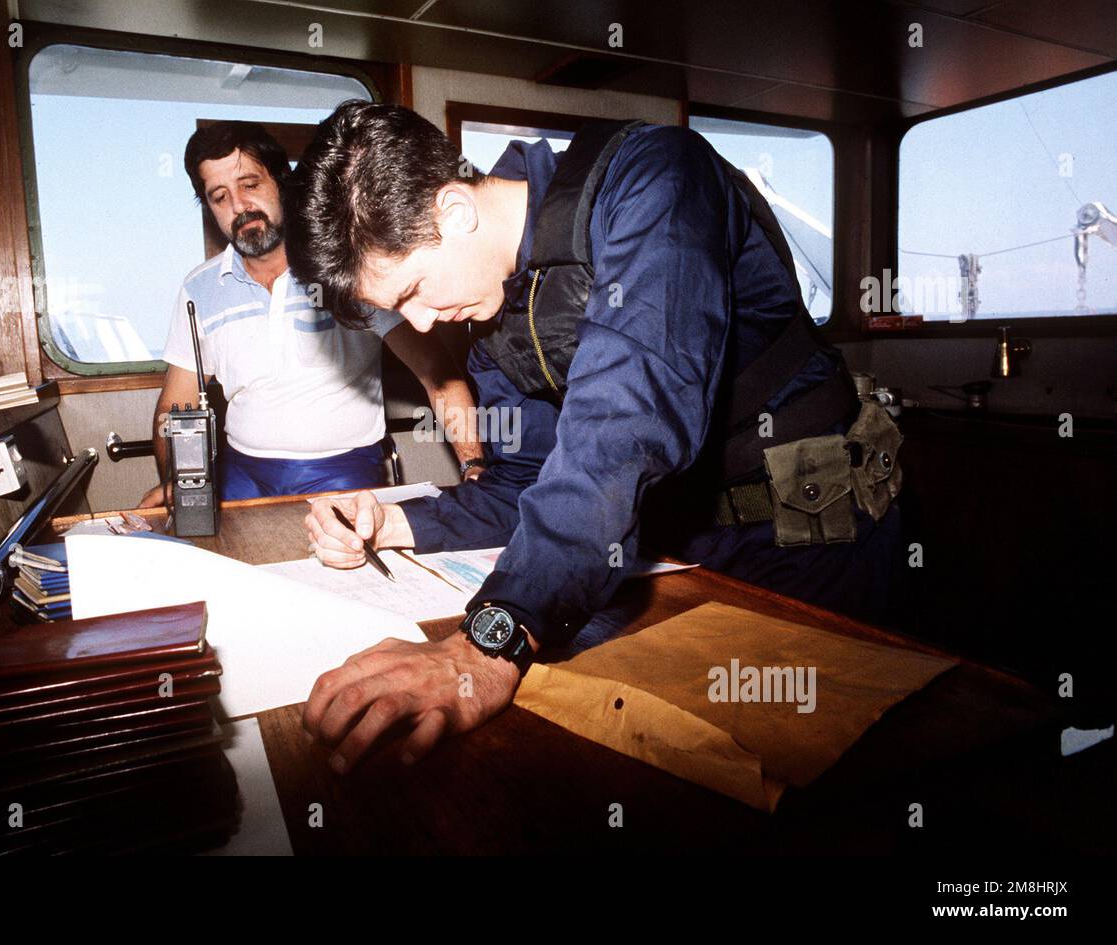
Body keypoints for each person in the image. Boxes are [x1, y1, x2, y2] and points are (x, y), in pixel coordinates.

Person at [286, 102, 907, 775]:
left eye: (413, 290)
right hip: (689, 551)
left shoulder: (657, 181)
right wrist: (391, 523)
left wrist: (488, 642)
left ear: (456, 210)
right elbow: (522, 484)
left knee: (839, 779)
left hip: (814, 536)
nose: (423, 324)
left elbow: (623, 425)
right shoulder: (498, 316)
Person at [139, 121, 483, 507]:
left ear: (282, 182)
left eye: (250, 185)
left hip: (343, 469)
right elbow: (174, 407)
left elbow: (438, 375)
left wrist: (473, 464)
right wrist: (179, 481)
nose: (239, 207)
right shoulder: (199, 289)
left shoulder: (346, 268)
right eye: (219, 196)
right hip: (241, 473)